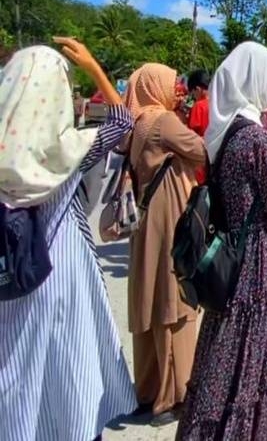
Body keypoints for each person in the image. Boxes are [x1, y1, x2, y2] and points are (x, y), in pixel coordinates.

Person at [176, 42, 267, 440]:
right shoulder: (253, 135)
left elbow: (246, 191)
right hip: (250, 260)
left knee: (224, 346)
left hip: (231, 252)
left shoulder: (227, 129)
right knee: (248, 348)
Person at [0, 38, 137, 441]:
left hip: (9, 279)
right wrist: (95, 67)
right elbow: (122, 123)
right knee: (70, 377)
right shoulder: (68, 149)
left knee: (17, 383)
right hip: (62, 278)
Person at [123, 63, 207, 425]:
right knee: (173, 300)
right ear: (155, 86)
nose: (178, 88)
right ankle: (172, 397)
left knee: (150, 297)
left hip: (147, 219)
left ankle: (147, 388)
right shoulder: (165, 122)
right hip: (169, 215)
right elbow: (203, 152)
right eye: (173, 83)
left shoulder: (138, 121)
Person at [186, 69, 211, 138]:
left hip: (201, 145)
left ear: (197, 89)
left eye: (193, 94)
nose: (193, 98)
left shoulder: (198, 106)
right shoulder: (217, 102)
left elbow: (191, 134)